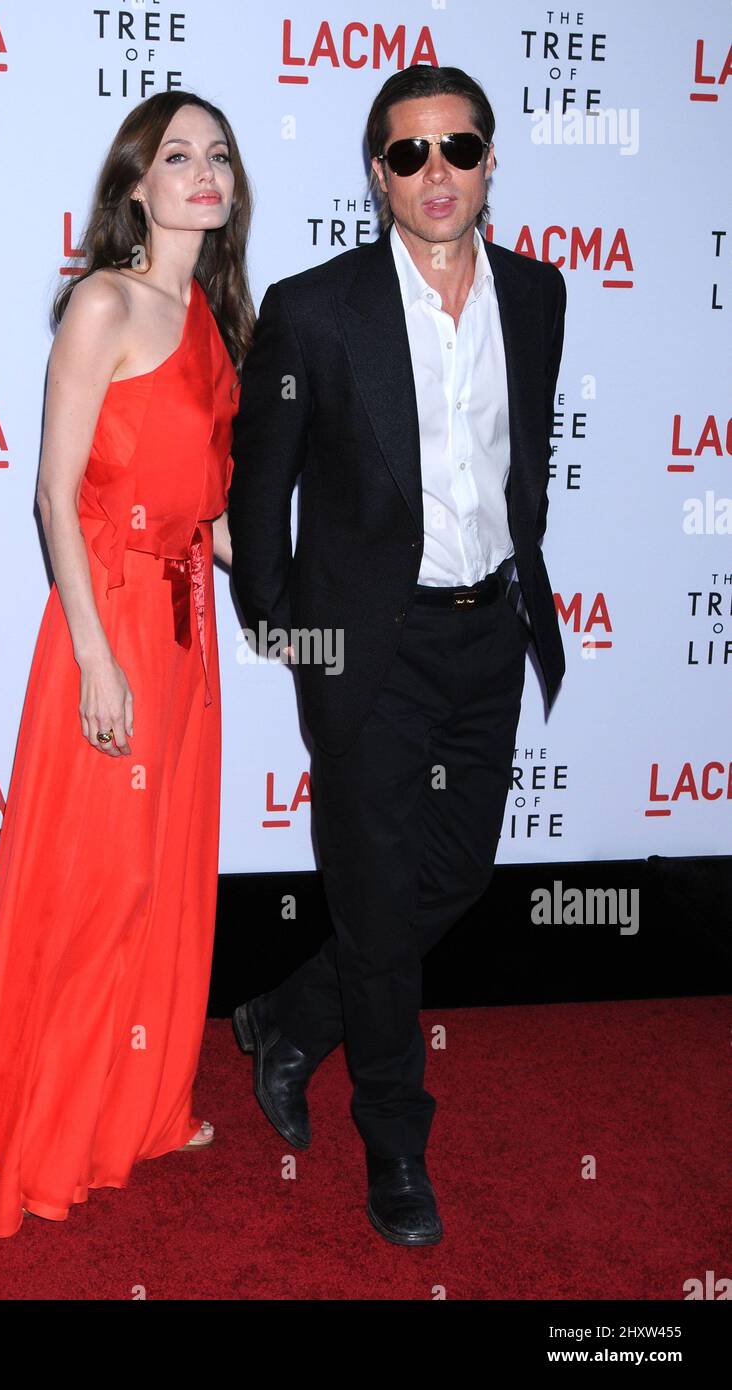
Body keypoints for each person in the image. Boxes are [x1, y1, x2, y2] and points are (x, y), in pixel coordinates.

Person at [0, 91, 253, 1249]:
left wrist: (297, 588)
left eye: (218, 156)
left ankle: (129, 1113)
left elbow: (214, 505)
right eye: (176, 156)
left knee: (165, 879)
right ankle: (29, 1142)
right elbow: (52, 490)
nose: (202, 171)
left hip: (185, 621)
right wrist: (95, 653)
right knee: (90, 886)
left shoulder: (210, 311)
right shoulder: (106, 300)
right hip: (116, 622)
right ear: (136, 185)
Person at [228, 64, 567, 1246]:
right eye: (410, 153)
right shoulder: (315, 307)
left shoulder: (535, 293)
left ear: (487, 164)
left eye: (458, 148)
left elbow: (513, 466)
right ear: (377, 172)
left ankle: (287, 1012)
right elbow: (257, 482)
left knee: (456, 873)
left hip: (488, 629)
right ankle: (395, 1144)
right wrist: (282, 625)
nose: (437, 173)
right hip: (367, 645)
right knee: (377, 902)